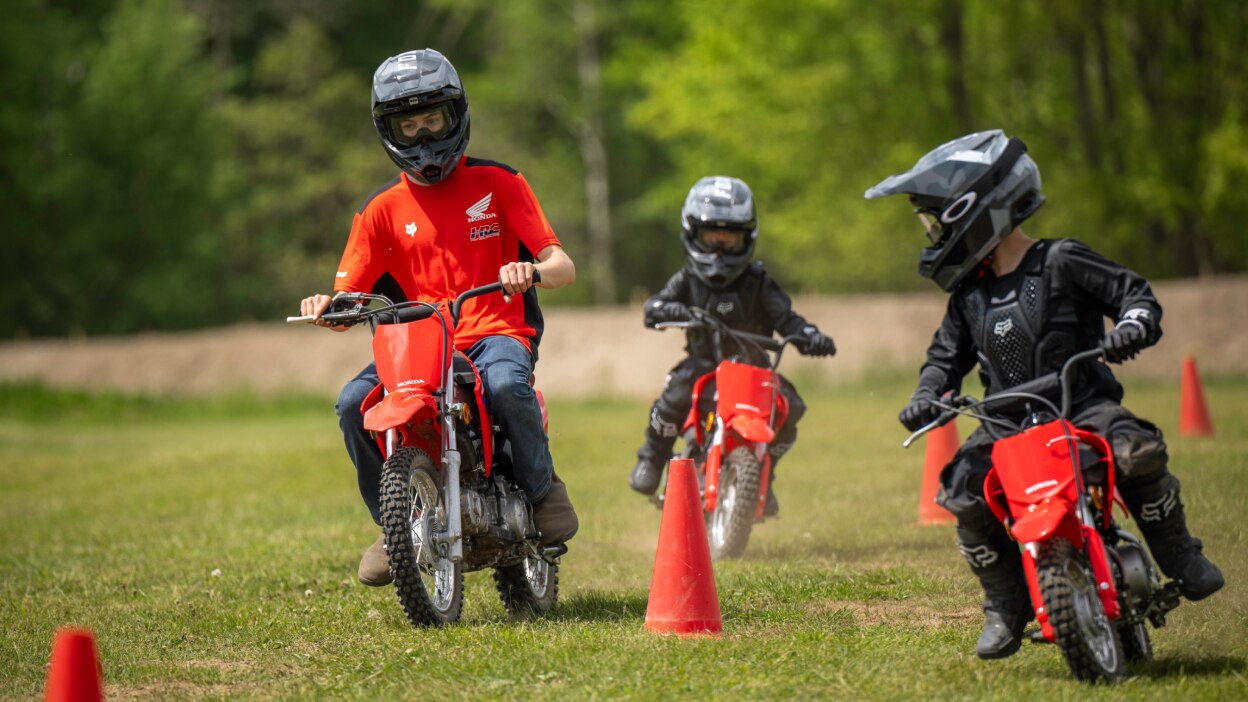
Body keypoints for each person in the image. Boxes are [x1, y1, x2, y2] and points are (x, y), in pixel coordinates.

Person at [865, 129, 1224, 659]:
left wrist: (1133, 324)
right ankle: (1006, 605)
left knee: (1135, 449)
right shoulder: (969, 296)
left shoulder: (1062, 259)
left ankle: (1179, 556)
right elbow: (944, 359)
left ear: (973, 210)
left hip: (1081, 405)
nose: (933, 233)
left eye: (935, 219)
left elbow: (1133, 294)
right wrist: (927, 394)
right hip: (1006, 421)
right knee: (962, 488)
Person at [300, 49, 578, 587]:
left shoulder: (500, 183)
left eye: (434, 120)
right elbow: (347, 298)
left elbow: (562, 266)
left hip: (496, 333)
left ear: (456, 115)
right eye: (410, 124)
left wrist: (532, 270)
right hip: (419, 346)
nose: (424, 136)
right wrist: (324, 307)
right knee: (353, 403)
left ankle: (544, 492)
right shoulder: (378, 212)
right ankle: (394, 526)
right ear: (390, 131)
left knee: (504, 383)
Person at [628, 176, 836, 514]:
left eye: (730, 238)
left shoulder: (760, 283)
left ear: (747, 239)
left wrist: (809, 335)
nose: (720, 248)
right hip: (702, 365)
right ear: (693, 234)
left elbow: (788, 319)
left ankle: (762, 477)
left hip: (753, 370)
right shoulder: (687, 279)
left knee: (790, 406)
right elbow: (655, 306)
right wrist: (667, 309)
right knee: (674, 397)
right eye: (712, 237)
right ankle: (650, 459)